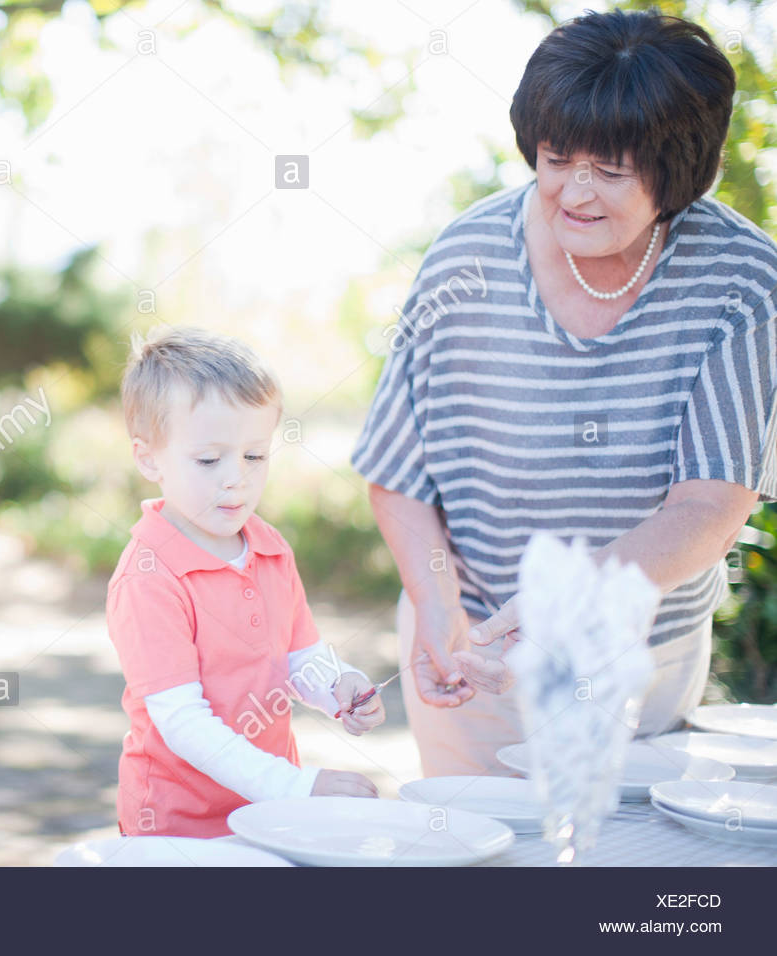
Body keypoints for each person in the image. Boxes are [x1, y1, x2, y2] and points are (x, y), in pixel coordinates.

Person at [351, 9, 776, 777]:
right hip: (473, 649)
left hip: (637, 662)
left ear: (680, 174)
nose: (576, 192)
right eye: (555, 159)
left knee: (623, 880)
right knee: (484, 880)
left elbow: (708, 509)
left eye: (612, 171)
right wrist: (440, 607)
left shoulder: (740, 280)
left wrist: (570, 603)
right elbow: (398, 472)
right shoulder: (464, 261)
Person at [108, 327, 384, 838]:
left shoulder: (270, 546)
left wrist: (337, 685)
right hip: (178, 827)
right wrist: (298, 786)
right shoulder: (150, 576)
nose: (236, 477)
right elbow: (183, 723)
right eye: (210, 460)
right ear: (149, 459)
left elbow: (299, 657)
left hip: (269, 817)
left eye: (255, 456)